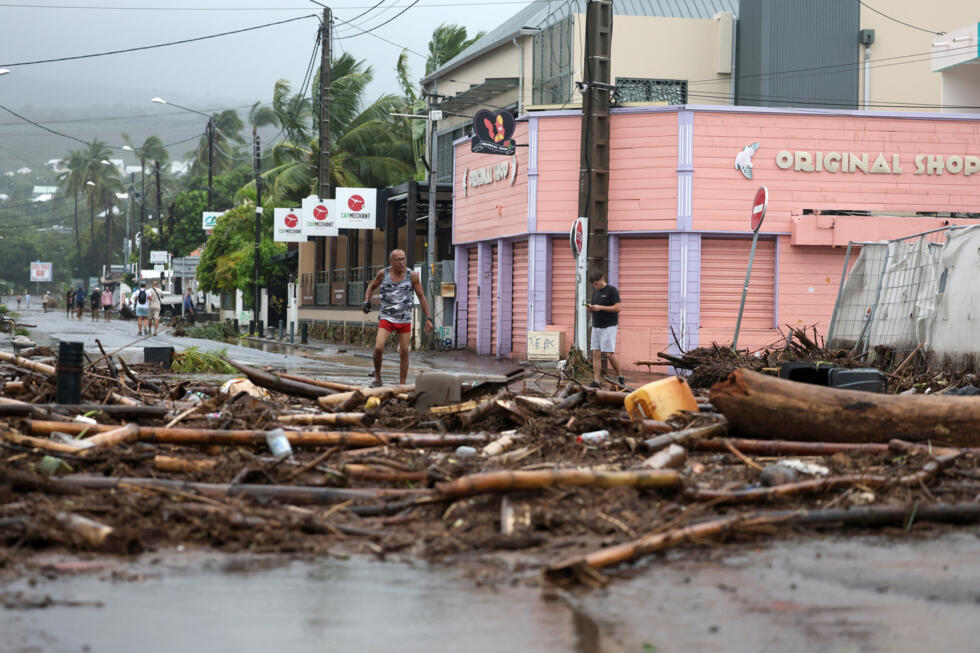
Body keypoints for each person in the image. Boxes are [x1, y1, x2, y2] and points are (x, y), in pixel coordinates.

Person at [363, 249, 432, 387]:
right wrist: (366, 301)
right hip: (386, 317)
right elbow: (371, 287)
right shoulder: (384, 274)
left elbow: (421, 296)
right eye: (398, 260)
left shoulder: (412, 276)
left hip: (404, 318)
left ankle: (402, 384)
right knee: (378, 348)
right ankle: (378, 378)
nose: (402, 262)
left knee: (404, 352)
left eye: (404, 259)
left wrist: (429, 318)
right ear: (391, 262)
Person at [585, 270, 625, 388]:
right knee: (595, 353)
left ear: (602, 279)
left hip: (609, 326)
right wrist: (591, 308)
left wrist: (600, 307)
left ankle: (620, 376)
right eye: (593, 284)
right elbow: (596, 307)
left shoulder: (612, 290)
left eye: (596, 283)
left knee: (609, 354)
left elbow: (618, 308)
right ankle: (596, 381)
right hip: (597, 325)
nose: (594, 286)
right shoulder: (595, 293)